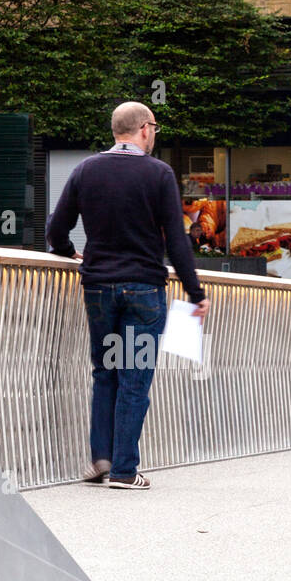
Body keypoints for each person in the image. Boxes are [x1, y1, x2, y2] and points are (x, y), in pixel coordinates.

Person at [47, 101, 210, 490]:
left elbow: (56, 228)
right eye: (154, 127)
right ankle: (124, 469)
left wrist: (70, 252)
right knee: (134, 377)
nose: (154, 133)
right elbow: (177, 241)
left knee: (105, 374)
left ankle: (100, 458)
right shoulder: (158, 174)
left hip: (99, 289)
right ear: (143, 130)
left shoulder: (86, 170)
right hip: (142, 291)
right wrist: (195, 291)